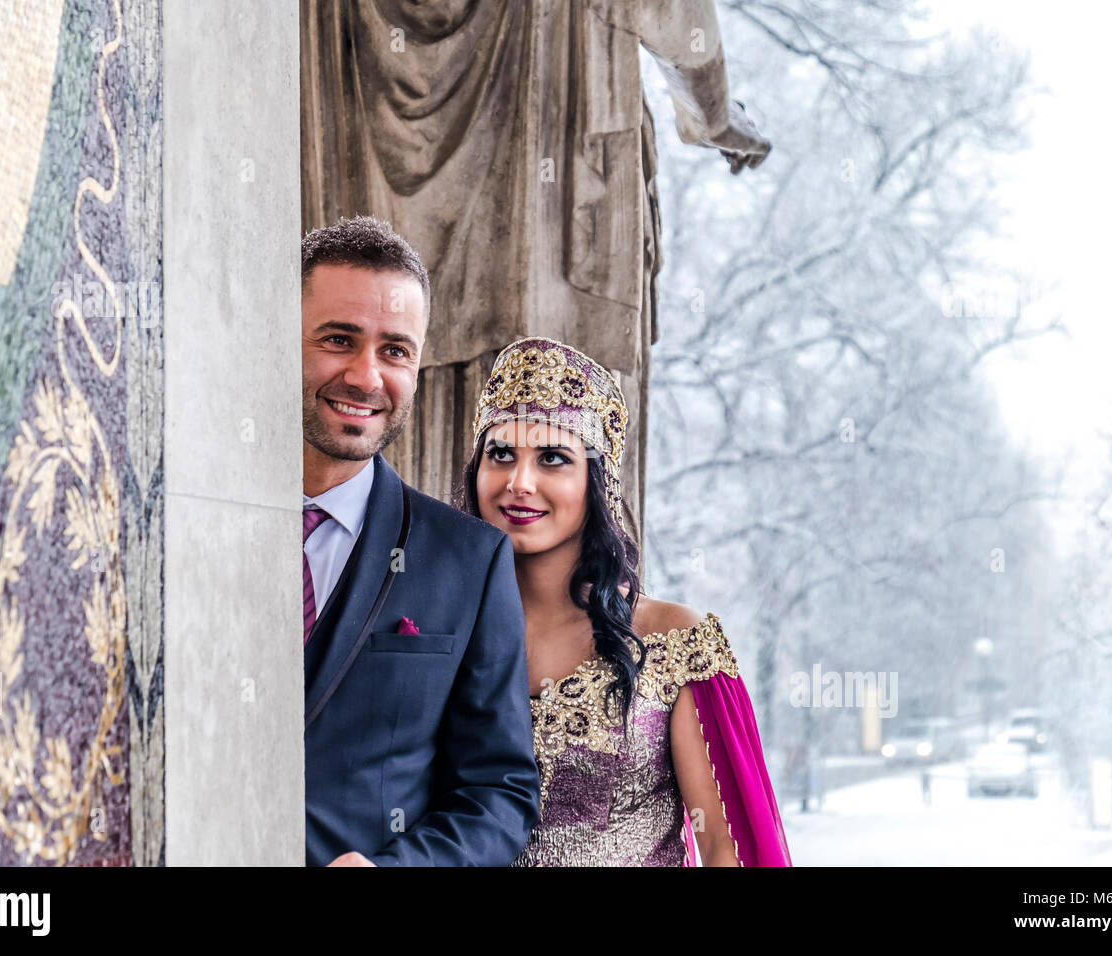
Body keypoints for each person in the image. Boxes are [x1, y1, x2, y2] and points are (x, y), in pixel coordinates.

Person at [456, 336, 792, 866]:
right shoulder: (441, 629)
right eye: (501, 454)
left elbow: (726, 848)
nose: (519, 483)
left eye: (552, 458)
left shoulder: (673, 640)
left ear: (598, 484)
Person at [301, 217, 539, 866]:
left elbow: (501, 792)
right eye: (338, 339)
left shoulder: (470, 560)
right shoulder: (179, 527)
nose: (366, 376)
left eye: (395, 351)